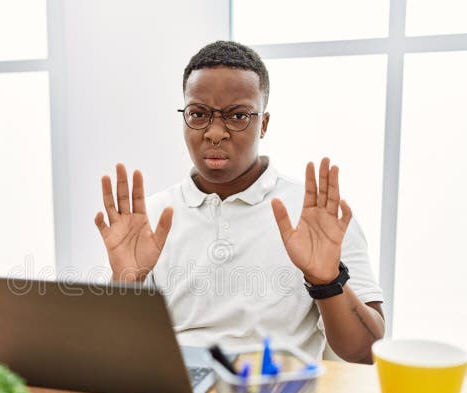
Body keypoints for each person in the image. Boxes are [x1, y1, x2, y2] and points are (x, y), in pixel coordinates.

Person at [94, 41, 384, 364]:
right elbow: (114, 354)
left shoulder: (316, 216)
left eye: (237, 115)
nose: (215, 132)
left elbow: (366, 351)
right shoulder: (151, 218)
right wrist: (126, 283)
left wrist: (327, 280)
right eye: (199, 114)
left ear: (264, 123)